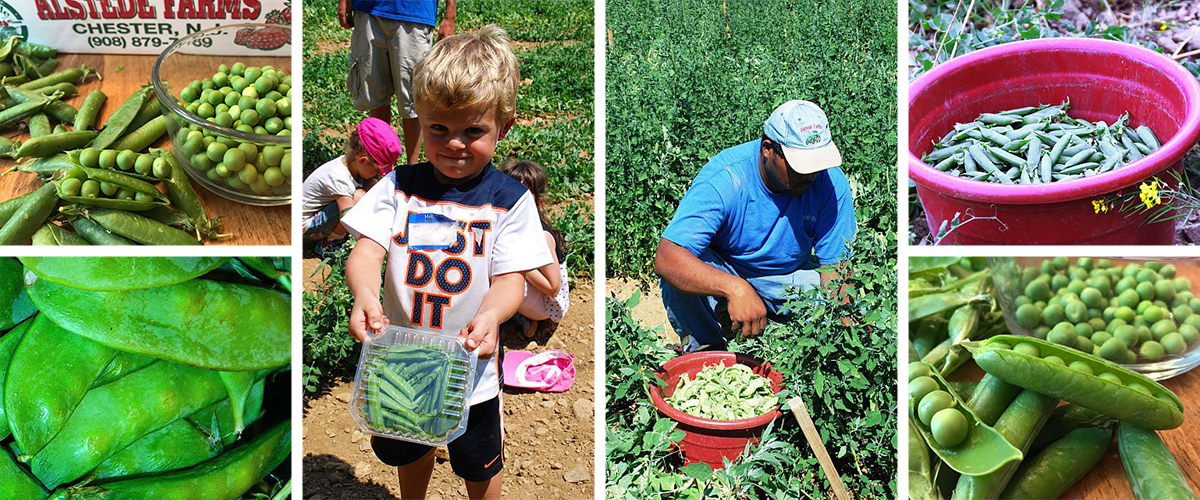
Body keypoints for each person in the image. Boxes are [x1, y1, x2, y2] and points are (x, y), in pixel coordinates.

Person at [342, 25, 551, 500]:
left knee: (478, 463)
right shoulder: (398, 186)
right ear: (420, 118)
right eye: (438, 128)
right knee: (410, 449)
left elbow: (510, 279)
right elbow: (367, 251)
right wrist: (366, 295)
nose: (454, 143)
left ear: (504, 126)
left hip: (470, 371)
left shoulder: (508, 199)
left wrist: (493, 315)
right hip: (400, 360)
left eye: (473, 131)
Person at [654, 100, 856, 351]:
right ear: (768, 149)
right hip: (724, 269)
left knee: (844, 305)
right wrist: (735, 288)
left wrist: (852, 343)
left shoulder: (830, 183)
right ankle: (708, 349)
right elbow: (666, 257)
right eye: (800, 166)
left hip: (784, 277)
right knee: (677, 275)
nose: (811, 175)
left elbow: (837, 271)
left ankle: (772, 332)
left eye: (817, 164)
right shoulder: (726, 179)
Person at [338, 0, 457, 165]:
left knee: (414, 99)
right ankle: (382, 165)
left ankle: (412, 169)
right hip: (368, 10)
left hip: (415, 13)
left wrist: (450, 14)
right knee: (375, 94)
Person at [302, 117, 402, 256]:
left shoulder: (352, 165)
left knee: (372, 187)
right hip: (307, 226)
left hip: (321, 214)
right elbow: (347, 216)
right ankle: (330, 243)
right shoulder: (339, 177)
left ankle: (335, 235)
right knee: (358, 199)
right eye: (378, 170)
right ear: (362, 160)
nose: (379, 174)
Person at [498, 159, 569, 338]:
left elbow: (553, 287)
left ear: (537, 202)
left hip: (547, 304)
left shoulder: (542, 236)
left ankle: (520, 317)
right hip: (535, 290)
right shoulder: (508, 223)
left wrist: (519, 266)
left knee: (500, 272)